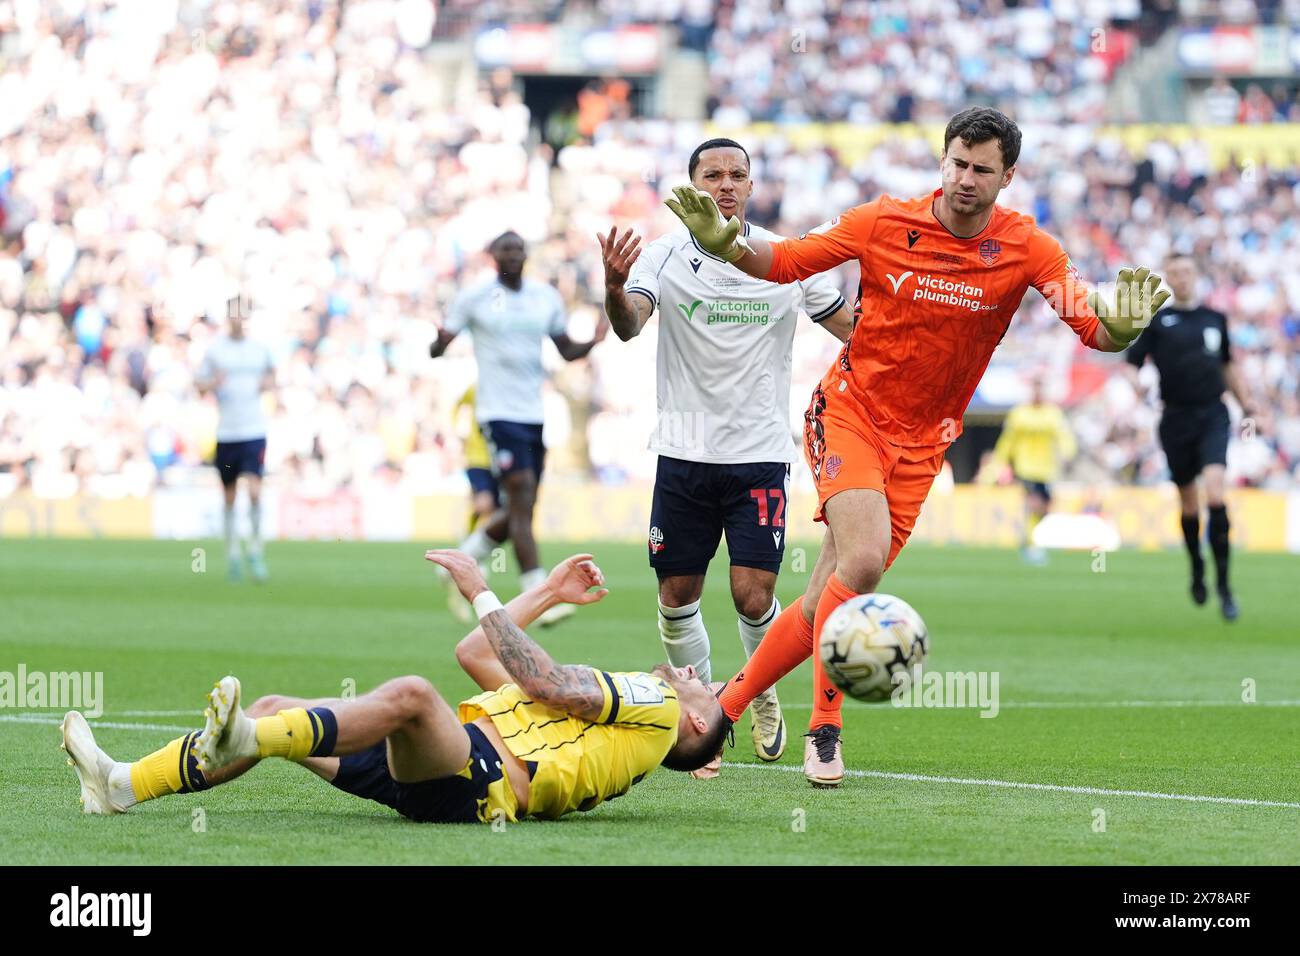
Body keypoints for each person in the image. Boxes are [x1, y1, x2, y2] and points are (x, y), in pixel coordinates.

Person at [665, 106, 1167, 787]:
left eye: (981, 170)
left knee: (822, 603)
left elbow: (1092, 327)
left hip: (926, 443)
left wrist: (1122, 332)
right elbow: (782, 262)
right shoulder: (882, 220)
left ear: (1007, 176)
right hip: (850, 412)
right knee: (864, 562)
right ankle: (825, 729)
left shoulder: (1028, 247)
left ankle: (721, 711)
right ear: (943, 160)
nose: (965, 179)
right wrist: (725, 242)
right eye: (957, 163)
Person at [59, 552, 729, 823]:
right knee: (271, 713)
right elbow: (477, 652)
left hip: (480, 780)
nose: (693, 675)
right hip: (450, 764)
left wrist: (480, 587)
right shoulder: (607, 729)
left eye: (708, 689)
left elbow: (540, 674)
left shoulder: (660, 708)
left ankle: (241, 736)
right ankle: (119, 785)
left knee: (411, 695)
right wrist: (548, 591)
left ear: (695, 727)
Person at [599, 137, 853, 777]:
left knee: (751, 594)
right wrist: (610, 287)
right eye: (711, 174)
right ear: (690, 185)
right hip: (683, 455)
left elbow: (853, 328)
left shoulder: (784, 260)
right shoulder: (664, 255)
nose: (726, 184)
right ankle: (700, 717)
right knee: (677, 594)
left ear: (751, 184)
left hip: (760, 456)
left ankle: (754, 694)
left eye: (737, 174)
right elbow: (630, 324)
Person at [431, 232, 609, 626]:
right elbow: (439, 346)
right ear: (493, 255)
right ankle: (539, 592)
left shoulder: (543, 297)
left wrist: (592, 341)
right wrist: (439, 341)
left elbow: (565, 349)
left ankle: (463, 557)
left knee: (520, 506)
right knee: (522, 500)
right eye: (505, 249)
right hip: (496, 412)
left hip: (533, 414)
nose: (512, 254)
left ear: (526, 255)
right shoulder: (475, 297)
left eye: (518, 249)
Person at [1123, 253, 1250, 620]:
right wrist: (1137, 388)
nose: (1181, 278)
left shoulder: (1215, 319)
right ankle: (1197, 567)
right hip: (1175, 418)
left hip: (1213, 413)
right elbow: (1132, 365)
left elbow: (1228, 366)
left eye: (1186, 271)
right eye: (1174, 273)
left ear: (1195, 275)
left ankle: (1224, 584)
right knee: (1189, 504)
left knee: (1215, 491)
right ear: (1169, 278)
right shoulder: (1158, 322)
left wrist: (1249, 405)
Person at [195, 296, 276, 583]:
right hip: (227, 433)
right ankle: (232, 555)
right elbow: (199, 385)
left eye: (243, 314)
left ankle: (255, 550)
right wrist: (212, 384)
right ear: (228, 316)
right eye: (234, 313)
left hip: (253, 431)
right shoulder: (216, 351)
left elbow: (272, 378)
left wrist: (268, 384)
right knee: (229, 497)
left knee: (255, 490)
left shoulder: (260, 350)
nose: (239, 319)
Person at [992, 377, 1077, 564]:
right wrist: (1000, 462)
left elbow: (1063, 436)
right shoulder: (1019, 413)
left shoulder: (1053, 414)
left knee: (1044, 509)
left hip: (1046, 470)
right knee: (1034, 504)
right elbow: (1008, 440)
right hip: (1026, 467)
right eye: (1035, 388)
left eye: (1041, 388)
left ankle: (1027, 537)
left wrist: (1067, 454)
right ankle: (1030, 546)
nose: (1038, 392)